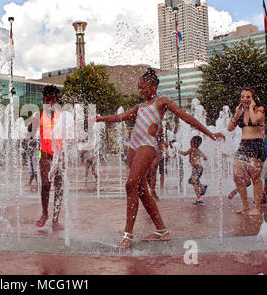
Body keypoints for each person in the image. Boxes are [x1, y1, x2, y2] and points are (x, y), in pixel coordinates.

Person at [95, 68, 225, 248]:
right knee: (141, 190)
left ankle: (128, 234)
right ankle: (162, 230)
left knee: (130, 184)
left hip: (148, 145)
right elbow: (121, 117)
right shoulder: (139, 107)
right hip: (134, 145)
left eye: (144, 87)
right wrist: (101, 119)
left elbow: (186, 117)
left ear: (154, 86)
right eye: (139, 88)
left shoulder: (161, 101)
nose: (141, 91)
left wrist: (209, 133)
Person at [227, 87, 265, 216]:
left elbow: (254, 121)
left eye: (248, 97)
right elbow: (229, 128)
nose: (245, 99)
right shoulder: (241, 111)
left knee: (255, 178)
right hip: (244, 145)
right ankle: (245, 204)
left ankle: (257, 208)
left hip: (256, 144)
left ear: (253, 98)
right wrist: (237, 114)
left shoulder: (259, 110)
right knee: (237, 175)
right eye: (243, 97)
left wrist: (251, 107)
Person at [35, 85, 64, 232]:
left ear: (57, 100)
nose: (50, 103)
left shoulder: (62, 116)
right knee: (46, 184)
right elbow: (30, 131)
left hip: (59, 153)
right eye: (47, 100)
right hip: (44, 153)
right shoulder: (39, 114)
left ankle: (55, 219)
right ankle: (44, 213)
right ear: (43, 100)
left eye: (52, 100)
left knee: (59, 186)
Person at [179, 136, 208, 205]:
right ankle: (202, 186)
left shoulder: (192, 149)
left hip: (196, 168)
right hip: (198, 168)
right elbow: (204, 157)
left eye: (191, 141)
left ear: (194, 143)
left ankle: (199, 199)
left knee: (194, 182)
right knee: (191, 181)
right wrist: (203, 158)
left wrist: (179, 151)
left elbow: (185, 153)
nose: (189, 142)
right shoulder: (198, 150)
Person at [26, 123, 39, 191]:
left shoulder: (32, 137)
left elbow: (34, 146)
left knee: (34, 170)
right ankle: (31, 182)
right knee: (33, 171)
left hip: (33, 156)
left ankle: (37, 183)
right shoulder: (32, 136)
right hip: (33, 156)